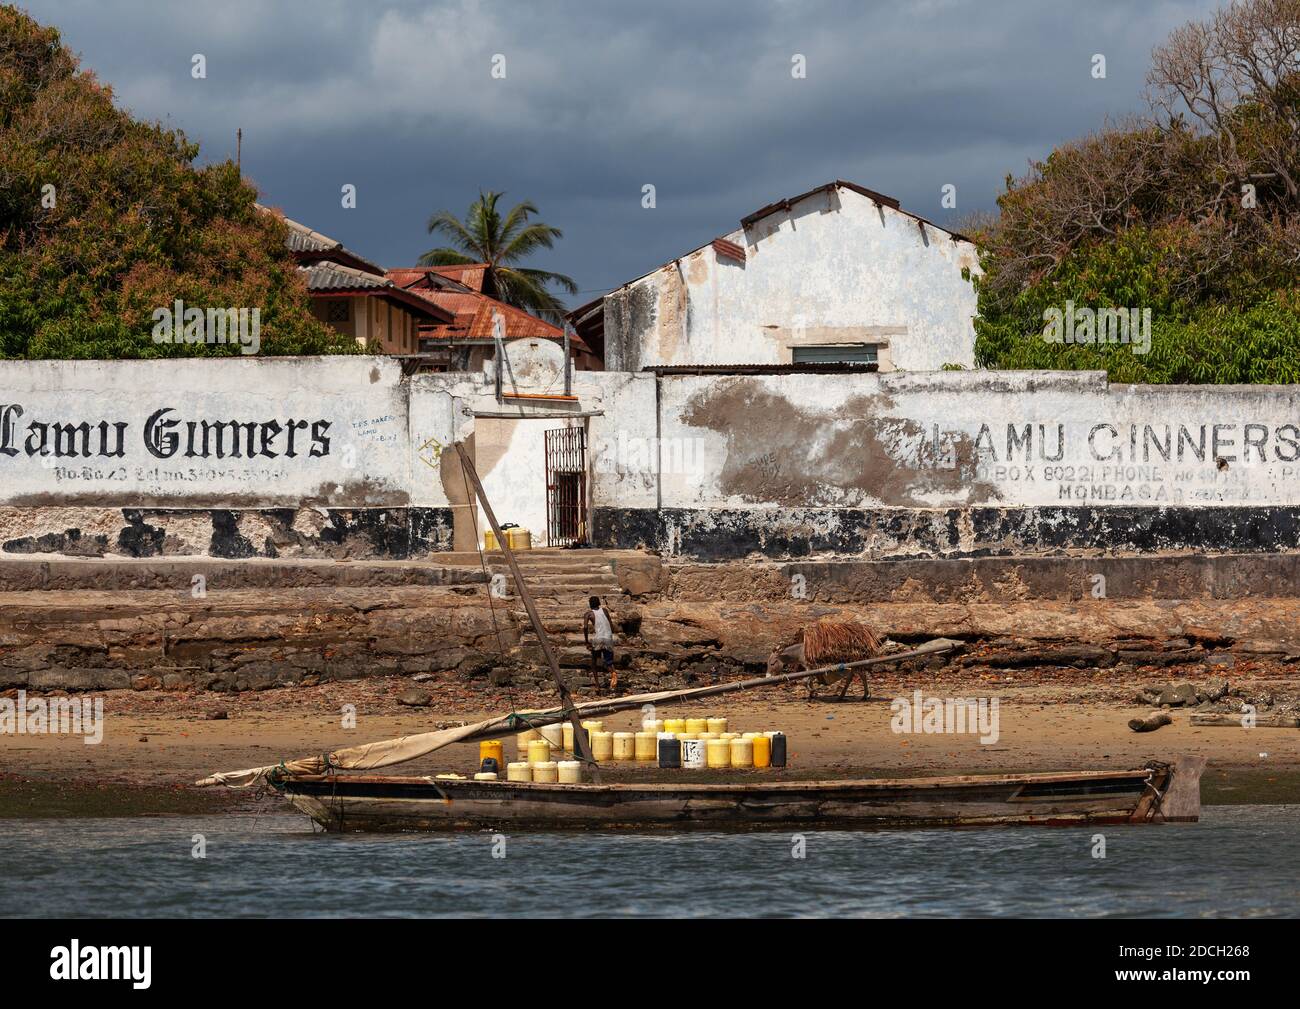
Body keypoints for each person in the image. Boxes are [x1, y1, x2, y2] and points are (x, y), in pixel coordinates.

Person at [583, 596, 617, 692]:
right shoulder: (605, 611)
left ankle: (597, 686)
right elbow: (610, 624)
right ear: (599, 603)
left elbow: (585, 628)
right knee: (609, 661)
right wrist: (610, 635)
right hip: (608, 638)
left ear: (590, 604)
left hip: (598, 639)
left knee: (594, 662)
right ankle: (613, 673)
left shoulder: (588, 614)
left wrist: (586, 641)